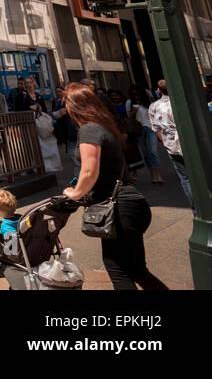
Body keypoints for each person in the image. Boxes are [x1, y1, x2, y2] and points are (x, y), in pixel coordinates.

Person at [61, 81, 167, 290]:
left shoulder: (89, 130)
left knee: (118, 269)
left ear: (74, 107)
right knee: (136, 269)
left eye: (66, 105)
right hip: (131, 204)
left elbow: (89, 171)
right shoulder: (103, 126)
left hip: (119, 209)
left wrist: (74, 193)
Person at [148, 81, 192, 208]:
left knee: (185, 178)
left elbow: (156, 129)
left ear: (159, 90)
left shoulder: (154, 106)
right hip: (187, 144)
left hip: (172, 146)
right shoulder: (180, 102)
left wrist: (166, 142)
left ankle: (196, 209)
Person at [127, 86, 162, 184]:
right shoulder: (130, 103)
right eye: (134, 94)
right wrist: (133, 111)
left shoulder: (149, 103)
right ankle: (152, 175)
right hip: (139, 130)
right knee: (146, 153)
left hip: (150, 128)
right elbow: (128, 118)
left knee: (153, 151)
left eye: (138, 94)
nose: (136, 97)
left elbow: (155, 117)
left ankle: (158, 174)